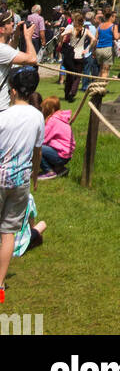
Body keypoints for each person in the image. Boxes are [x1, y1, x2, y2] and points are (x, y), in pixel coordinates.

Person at [0, 66, 44, 303]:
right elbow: (37, 151)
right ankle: (0, 285)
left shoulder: (3, 116)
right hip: (20, 180)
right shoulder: (38, 117)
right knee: (8, 233)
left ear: (13, 91)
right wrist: (35, 176)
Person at [0, 14, 39, 110]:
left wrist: (17, 34)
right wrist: (28, 38)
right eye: (9, 23)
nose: (13, 23)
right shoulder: (2, 49)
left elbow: (10, 48)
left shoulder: (3, 49)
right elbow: (32, 59)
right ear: (1, 29)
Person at [58, 11, 94, 100]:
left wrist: (61, 42)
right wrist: (88, 49)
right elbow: (94, 39)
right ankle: (72, 92)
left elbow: (62, 35)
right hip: (80, 55)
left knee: (69, 75)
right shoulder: (86, 31)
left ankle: (67, 94)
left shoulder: (72, 29)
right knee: (77, 76)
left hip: (71, 55)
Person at [38, 96, 75, 178]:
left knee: (36, 148)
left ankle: (49, 171)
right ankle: (59, 169)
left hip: (61, 155)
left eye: (43, 109)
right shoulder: (61, 118)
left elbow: (43, 139)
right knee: (43, 148)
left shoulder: (53, 120)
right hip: (66, 154)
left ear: (48, 109)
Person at [94, 11, 119, 79]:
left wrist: (94, 50)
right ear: (111, 17)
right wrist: (118, 34)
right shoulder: (113, 26)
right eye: (115, 17)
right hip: (108, 49)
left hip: (99, 49)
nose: (115, 18)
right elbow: (116, 37)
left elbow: (95, 39)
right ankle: (101, 87)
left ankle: (97, 86)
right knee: (106, 70)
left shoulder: (100, 26)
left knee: (101, 69)